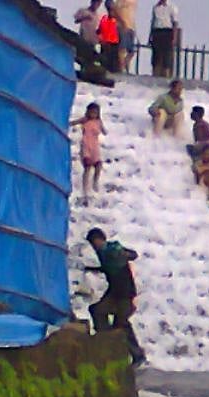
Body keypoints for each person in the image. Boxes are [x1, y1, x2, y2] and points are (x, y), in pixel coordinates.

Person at [84, 228, 146, 367]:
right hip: (114, 292)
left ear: (101, 239)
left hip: (125, 293)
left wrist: (123, 254)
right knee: (97, 311)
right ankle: (107, 343)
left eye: (94, 243)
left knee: (121, 323)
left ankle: (137, 354)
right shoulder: (102, 253)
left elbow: (132, 255)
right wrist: (93, 269)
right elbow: (109, 267)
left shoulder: (112, 248)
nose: (94, 247)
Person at [69, 102, 106, 202]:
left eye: (95, 112)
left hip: (95, 147)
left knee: (98, 165)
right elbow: (73, 123)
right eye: (91, 112)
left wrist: (104, 130)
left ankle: (95, 182)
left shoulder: (99, 122)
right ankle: (85, 188)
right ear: (88, 112)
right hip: (86, 146)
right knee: (88, 167)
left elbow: (104, 131)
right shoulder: (84, 120)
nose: (93, 114)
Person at [148, 0, 179, 78]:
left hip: (167, 32)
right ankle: (155, 75)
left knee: (167, 55)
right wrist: (150, 35)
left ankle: (166, 76)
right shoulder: (155, 7)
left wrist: (174, 37)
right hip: (157, 31)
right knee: (156, 55)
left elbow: (175, 23)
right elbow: (153, 22)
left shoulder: (172, 7)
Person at [113, 0, 137, 73]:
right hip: (122, 26)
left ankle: (126, 67)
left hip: (131, 27)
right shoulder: (119, 1)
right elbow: (115, 9)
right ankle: (121, 69)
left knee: (131, 51)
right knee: (122, 49)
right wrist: (121, 22)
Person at [97, 2, 120, 72]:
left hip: (114, 43)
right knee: (105, 61)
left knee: (113, 62)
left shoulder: (116, 20)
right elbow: (99, 30)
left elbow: (119, 32)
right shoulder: (104, 19)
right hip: (105, 43)